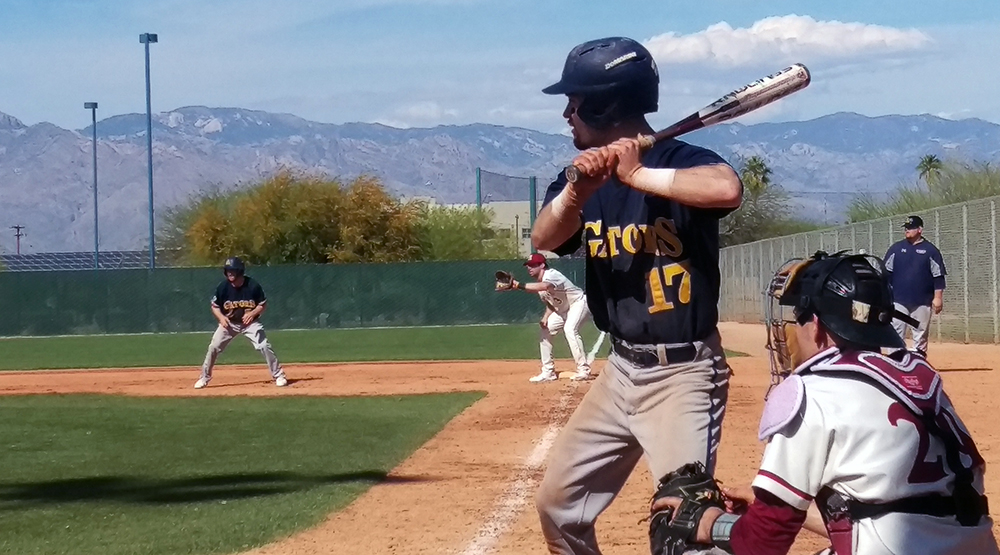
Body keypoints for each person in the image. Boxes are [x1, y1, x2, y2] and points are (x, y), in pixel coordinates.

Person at [530, 36, 743, 554]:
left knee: (683, 525)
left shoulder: (682, 159)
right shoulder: (580, 177)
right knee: (558, 507)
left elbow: (727, 188)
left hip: (682, 373)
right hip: (621, 371)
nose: (566, 113)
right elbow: (543, 238)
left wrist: (639, 175)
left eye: (575, 102)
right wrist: (578, 192)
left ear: (607, 104)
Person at [651, 251, 996, 555]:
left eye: (797, 319)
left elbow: (762, 543)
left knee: (694, 549)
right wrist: (769, 503)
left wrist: (707, 521)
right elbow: (895, 511)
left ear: (816, 326)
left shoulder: (814, 390)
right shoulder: (922, 379)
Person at [195, 257, 288, 389]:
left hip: (250, 323)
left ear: (240, 271)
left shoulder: (252, 285)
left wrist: (252, 313)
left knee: (263, 345)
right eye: (228, 271)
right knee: (213, 347)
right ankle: (204, 377)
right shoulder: (223, 287)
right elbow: (214, 306)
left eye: (232, 271)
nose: (230, 273)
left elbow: (263, 304)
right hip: (229, 323)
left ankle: (279, 375)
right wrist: (221, 318)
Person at [504, 252, 593, 383]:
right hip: (562, 310)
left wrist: (518, 285)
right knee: (545, 331)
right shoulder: (539, 286)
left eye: (533, 265)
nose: (529, 268)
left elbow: (545, 286)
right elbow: (551, 304)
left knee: (570, 329)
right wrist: (545, 317)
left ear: (542, 265)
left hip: (578, 303)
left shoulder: (551, 274)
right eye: (528, 265)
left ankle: (583, 370)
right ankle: (548, 372)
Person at [884, 215, 946, 356]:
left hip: (922, 301)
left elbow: (938, 277)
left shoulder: (931, 251)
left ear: (920, 230)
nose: (907, 230)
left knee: (920, 332)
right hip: (898, 300)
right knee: (896, 331)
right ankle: (895, 360)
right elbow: (886, 274)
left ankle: (919, 360)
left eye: (911, 228)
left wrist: (938, 298)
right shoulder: (896, 249)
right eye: (906, 228)